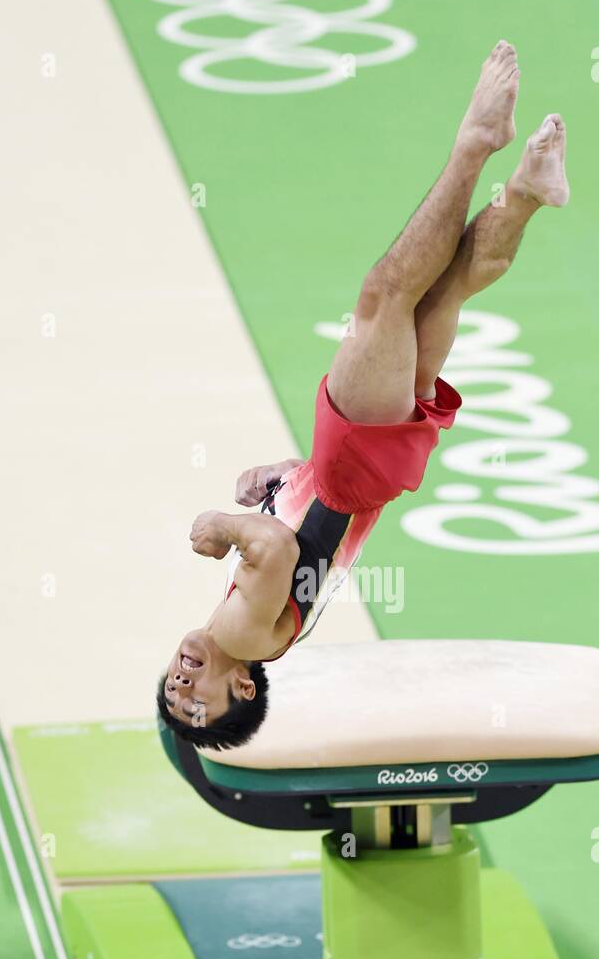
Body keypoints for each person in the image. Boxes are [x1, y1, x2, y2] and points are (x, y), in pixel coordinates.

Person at [158, 40, 568, 749]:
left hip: (356, 481)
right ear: (243, 687)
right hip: (353, 474)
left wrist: (287, 478)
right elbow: (275, 551)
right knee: (384, 296)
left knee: (440, 294)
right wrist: (222, 527)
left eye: (172, 690)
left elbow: (299, 539)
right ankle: (476, 144)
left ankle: (527, 193)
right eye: (200, 700)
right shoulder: (240, 635)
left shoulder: (254, 633)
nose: (183, 683)